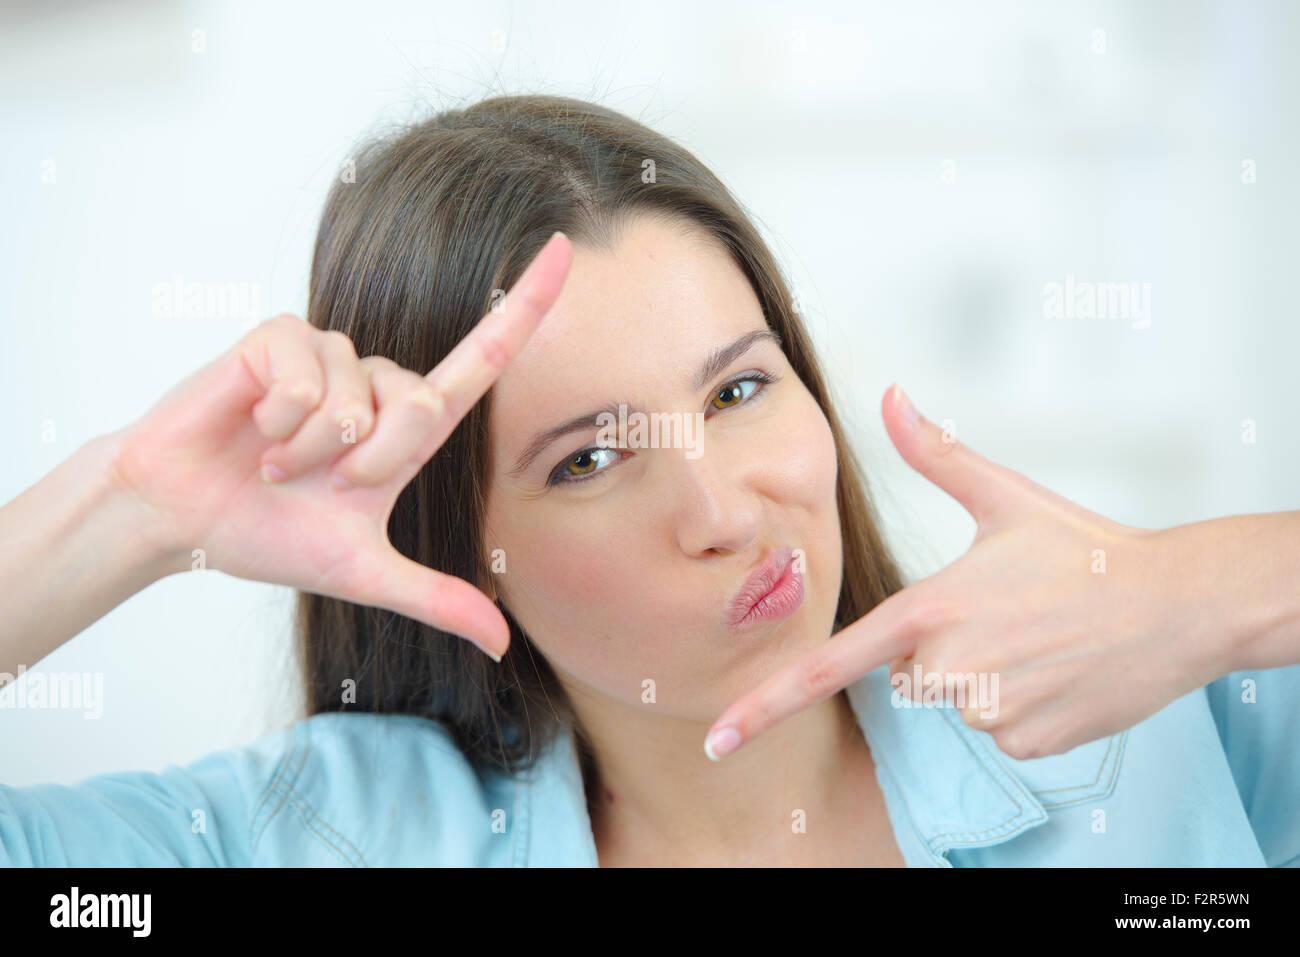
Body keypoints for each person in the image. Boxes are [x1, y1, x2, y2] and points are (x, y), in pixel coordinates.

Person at [1, 94, 1297, 867]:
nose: (727, 513)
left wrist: (1222, 585)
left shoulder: (1156, 718)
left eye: (739, 390)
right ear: (451, 542)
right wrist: (134, 510)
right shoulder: (332, 836)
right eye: (592, 458)